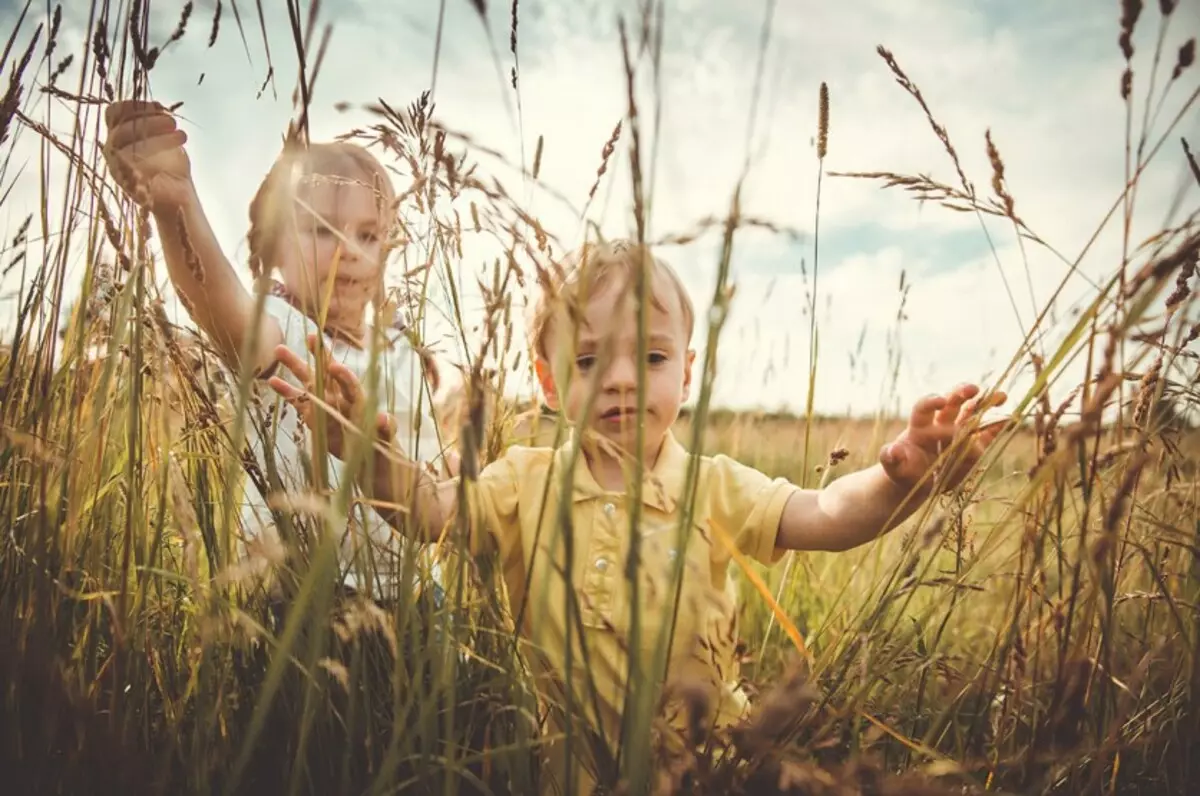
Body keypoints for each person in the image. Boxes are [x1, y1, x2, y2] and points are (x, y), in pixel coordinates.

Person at [266, 238, 1008, 793]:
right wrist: (366, 452)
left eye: (650, 358)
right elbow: (430, 511)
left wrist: (905, 479)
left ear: (687, 369)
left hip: (706, 769)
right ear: (551, 382)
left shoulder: (714, 488)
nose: (621, 380)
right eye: (590, 363)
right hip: (562, 776)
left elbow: (824, 514)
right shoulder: (524, 482)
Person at [101, 100, 446, 603]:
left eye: (369, 235)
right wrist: (179, 210)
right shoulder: (285, 328)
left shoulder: (402, 352)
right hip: (299, 590)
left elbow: (431, 462)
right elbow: (228, 317)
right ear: (273, 247)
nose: (349, 249)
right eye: (321, 229)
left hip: (410, 592)